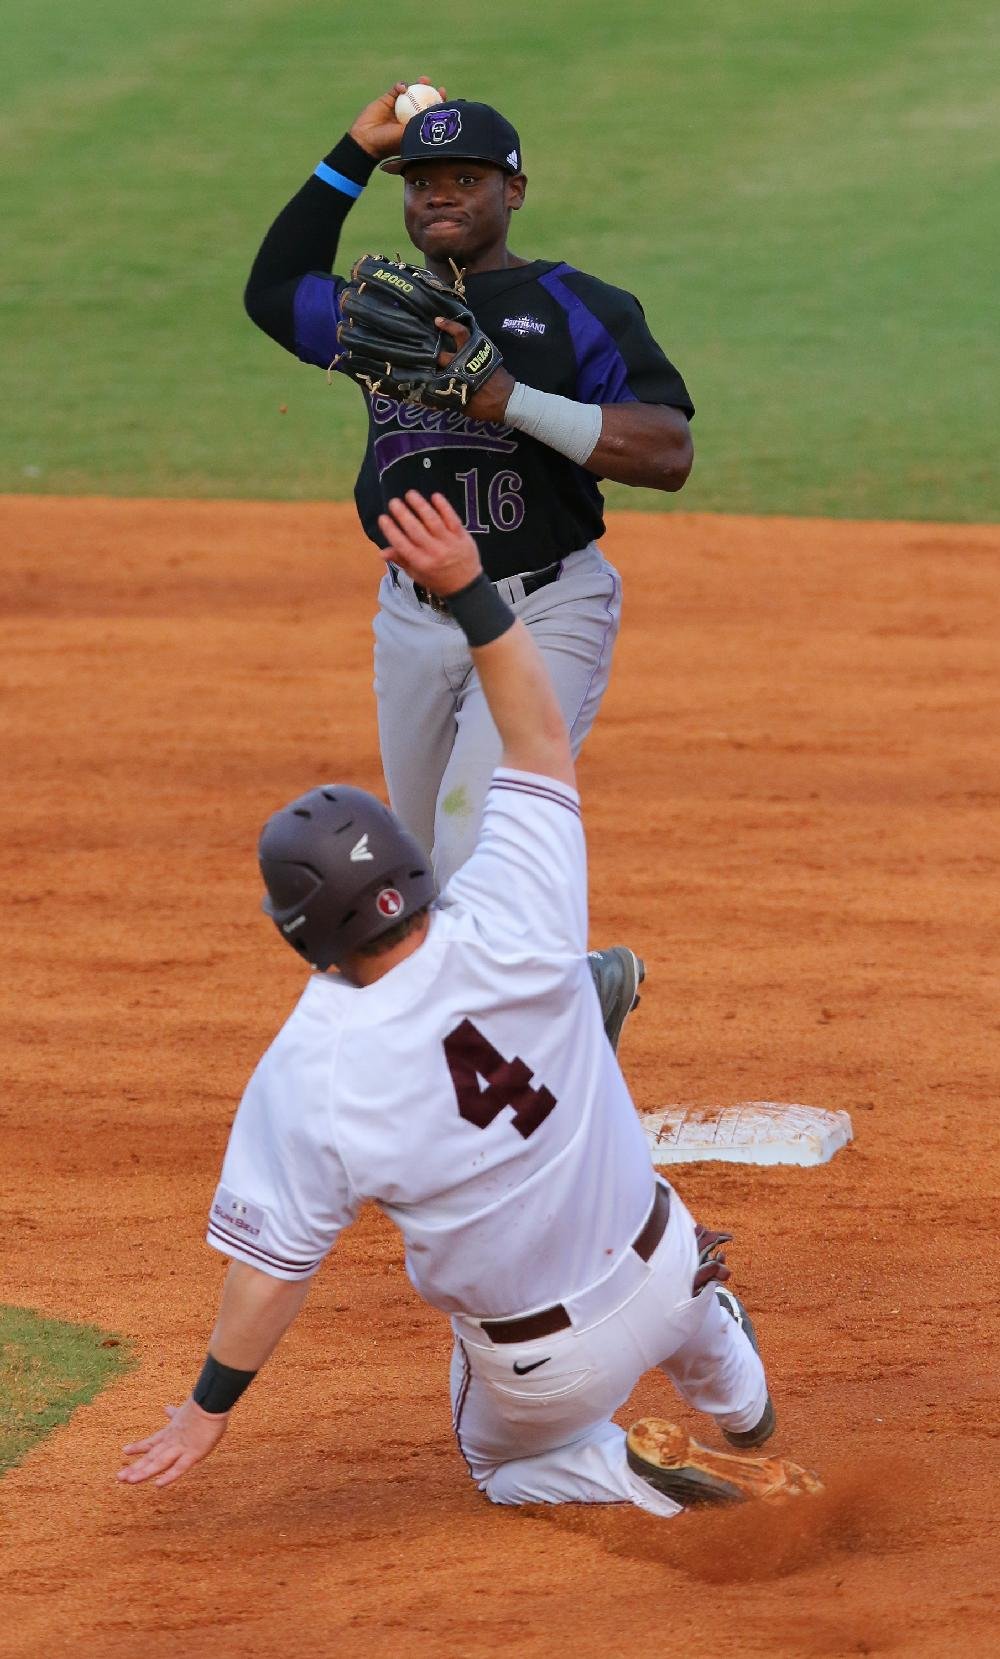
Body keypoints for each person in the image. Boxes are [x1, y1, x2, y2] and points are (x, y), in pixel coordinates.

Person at [118, 491, 818, 1513]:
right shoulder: (515, 909)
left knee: (498, 1464)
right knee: (674, 1268)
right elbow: (536, 736)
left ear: (302, 932)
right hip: (667, 1259)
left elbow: (271, 1272)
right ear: (409, 866)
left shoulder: (312, 1066)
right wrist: (470, 590)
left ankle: (621, 1468)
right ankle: (742, 1402)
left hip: (550, 1368)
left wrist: (204, 1410)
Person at [242, 82, 696, 1043]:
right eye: (421, 182)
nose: (439, 195)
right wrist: (353, 153)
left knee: (468, 842)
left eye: (466, 178)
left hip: (543, 610)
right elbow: (273, 291)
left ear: (513, 190)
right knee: (416, 874)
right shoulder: (380, 312)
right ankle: (574, 990)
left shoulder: (577, 308)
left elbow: (667, 452)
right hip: (411, 618)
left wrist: (509, 400)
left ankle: (523, 1048)